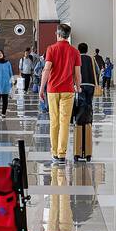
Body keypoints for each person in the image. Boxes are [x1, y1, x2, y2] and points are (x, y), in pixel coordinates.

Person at [39, 23, 81, 162]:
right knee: (64, 122)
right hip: (68, 90)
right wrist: (78, 87)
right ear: (68, 36)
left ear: (57, 34)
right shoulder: (75, 51)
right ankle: (62, 153)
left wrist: (41, 88)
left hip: (52, 90)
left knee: (54, 122)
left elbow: (46, 69)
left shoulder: (51, 49)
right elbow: (77, 73)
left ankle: (54, 152)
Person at [73, 43, 97, 162]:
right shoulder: (91, 59)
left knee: (80, 104)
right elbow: (97, 71)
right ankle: (89, 121)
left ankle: (79, 121)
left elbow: (74, 72)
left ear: (78, 50)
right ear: (87, 50)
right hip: (91, 86)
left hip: (80, 85)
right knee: (89, 104)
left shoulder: (76, 58)